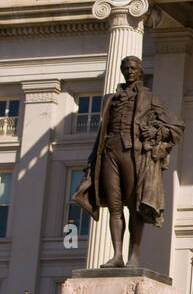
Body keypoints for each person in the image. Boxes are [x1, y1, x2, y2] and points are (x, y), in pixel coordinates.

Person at [73, 55, 184, 267]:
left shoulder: (150, 98)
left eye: (133, 68)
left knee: (134, 205)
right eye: (126, 68)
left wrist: (156, 131)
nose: (130, 71)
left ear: (140, 71)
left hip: (133, 152)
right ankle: (117, 255)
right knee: (114, 207)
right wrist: (91, 163)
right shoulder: (110, 99)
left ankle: (134, 255)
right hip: (109, 151)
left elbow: (176, 126)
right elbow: (100, 134)